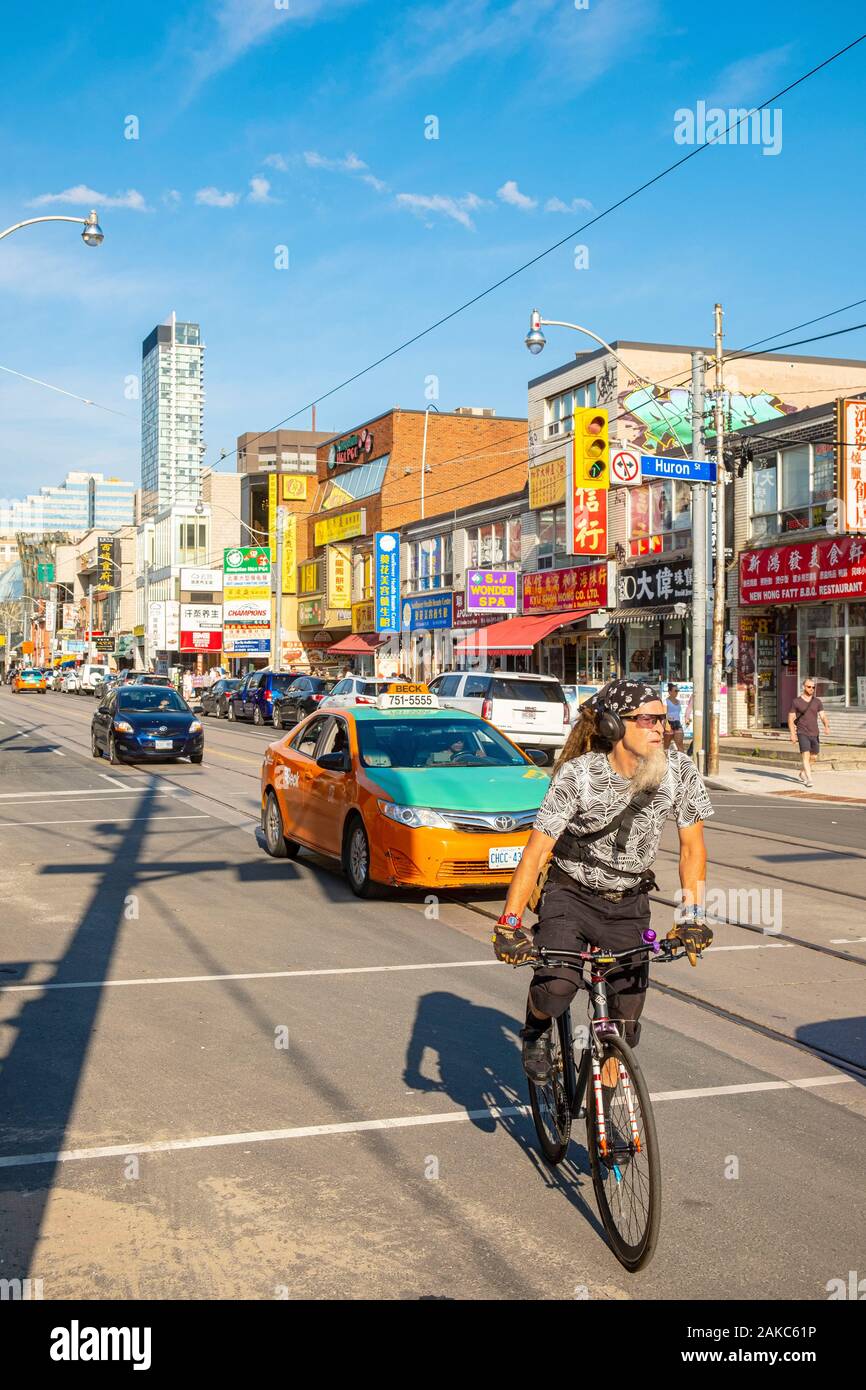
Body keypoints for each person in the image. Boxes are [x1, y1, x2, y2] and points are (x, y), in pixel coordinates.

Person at [492, 678, 714, 1084]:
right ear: (614, 725)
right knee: (556, 988)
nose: (661, 729)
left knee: (625, 1023)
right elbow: (537, 852)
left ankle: (609, 1117)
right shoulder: (579, 775)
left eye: (663, 720)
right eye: (648, 720)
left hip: (629, 900)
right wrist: (509, 924)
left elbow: (692, 850)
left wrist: (693, 917)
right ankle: (537, 1028)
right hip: (570, 894)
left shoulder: (680, 771)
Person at [787, 677, 830, 788]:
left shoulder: (817, 701)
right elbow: (791, 718)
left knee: (814, 757)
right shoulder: (796, 701)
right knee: (805, 755)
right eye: (809, 687)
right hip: (802, 732)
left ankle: (802, 772)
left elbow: (823, 715)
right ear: (803, 687)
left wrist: (826, 726)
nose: (811, 689)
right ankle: (809, 779)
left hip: (814, 732)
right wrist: (792, 734)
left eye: (813, 687)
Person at [664, 682, 685, 752]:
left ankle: (682, 758)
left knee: (680, 745)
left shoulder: (678, 701)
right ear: (669, 692)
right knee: (666, 746)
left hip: (677, 723)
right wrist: (665, 725)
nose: (677, 692)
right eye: (675, 691)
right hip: (669, 724)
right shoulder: (665, 701)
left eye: (677, 691)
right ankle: (665, 758)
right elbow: (664, 714)